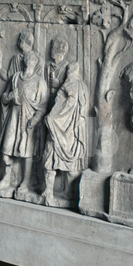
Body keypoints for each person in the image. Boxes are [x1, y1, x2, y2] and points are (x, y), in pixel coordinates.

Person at [0, 49, 47, 193]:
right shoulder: (16, 77)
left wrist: (35, 119)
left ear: (36, 63)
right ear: (24, 61)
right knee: (6, 149)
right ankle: (6, 178)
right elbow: (3, 98)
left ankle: (26, 182)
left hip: (29, 120)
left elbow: (43, 106)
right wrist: (10, 95)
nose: (29, 62)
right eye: (27, 59)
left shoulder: (39, 82)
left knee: (27, 151)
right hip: (14, 117)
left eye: (32, 60)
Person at [41, 61, 88, 207]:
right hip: (66, 129)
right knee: (59, 161)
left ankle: (68, 194)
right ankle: (51, 192)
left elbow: (69, 104)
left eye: (69, 70)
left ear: (73, 71)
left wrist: (54, 119)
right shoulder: (81, 86)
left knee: (62, 162)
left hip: (64, 128)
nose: (67, 72)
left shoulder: (72, 86)